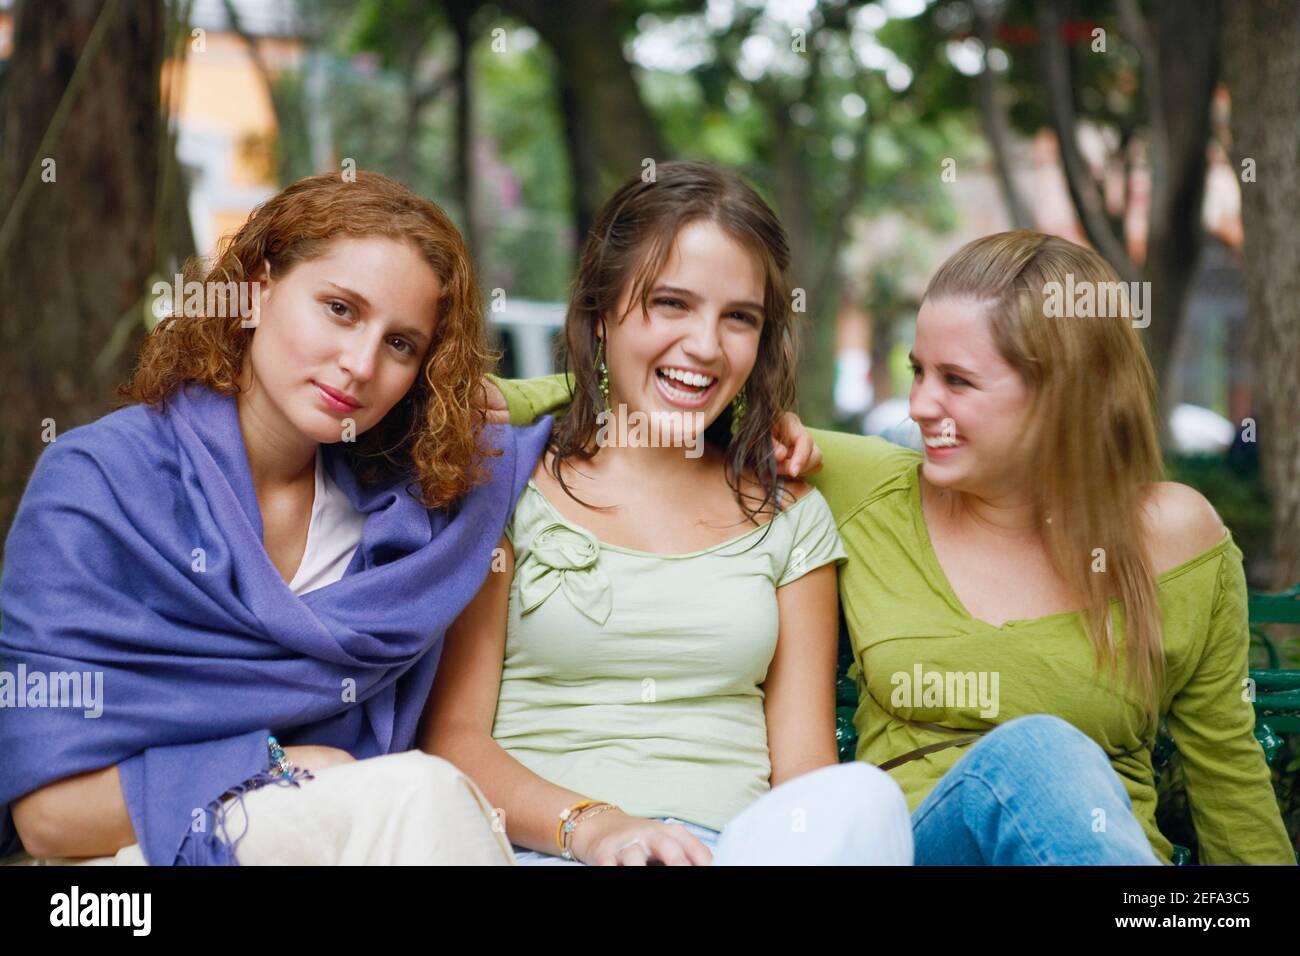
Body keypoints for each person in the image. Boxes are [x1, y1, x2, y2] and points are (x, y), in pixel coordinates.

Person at [487, 230, 1295, 864]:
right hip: (913, 847)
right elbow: (659, 389)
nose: (918, 406)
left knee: (1046, 760)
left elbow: (1229, 779)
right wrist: (498, 399)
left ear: (1065, 396)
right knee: (1038, 750)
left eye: (957, 381)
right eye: (918, 371)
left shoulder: (1175, 539)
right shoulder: (873, 485)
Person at [0, 171, 548, 866]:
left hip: (352, 848)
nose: (360, 364)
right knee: (422, 792)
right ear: (256, 290)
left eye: (401, 345)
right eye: (340, 309)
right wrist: (277, 763)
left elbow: (601, 399)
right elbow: (49, 817)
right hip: (126, 877)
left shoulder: (406, 516)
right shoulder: (99, 481)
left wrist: (517, 398)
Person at [423, 161, 914, 865]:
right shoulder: (507, 488)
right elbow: (453, 741)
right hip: (552, 848)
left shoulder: (791, 515)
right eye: (672, 304)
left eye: (739, 317)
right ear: (600, 314)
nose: (706, 346)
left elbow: (804, 773)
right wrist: (596, 828)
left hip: (737, 853)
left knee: (862, 797)